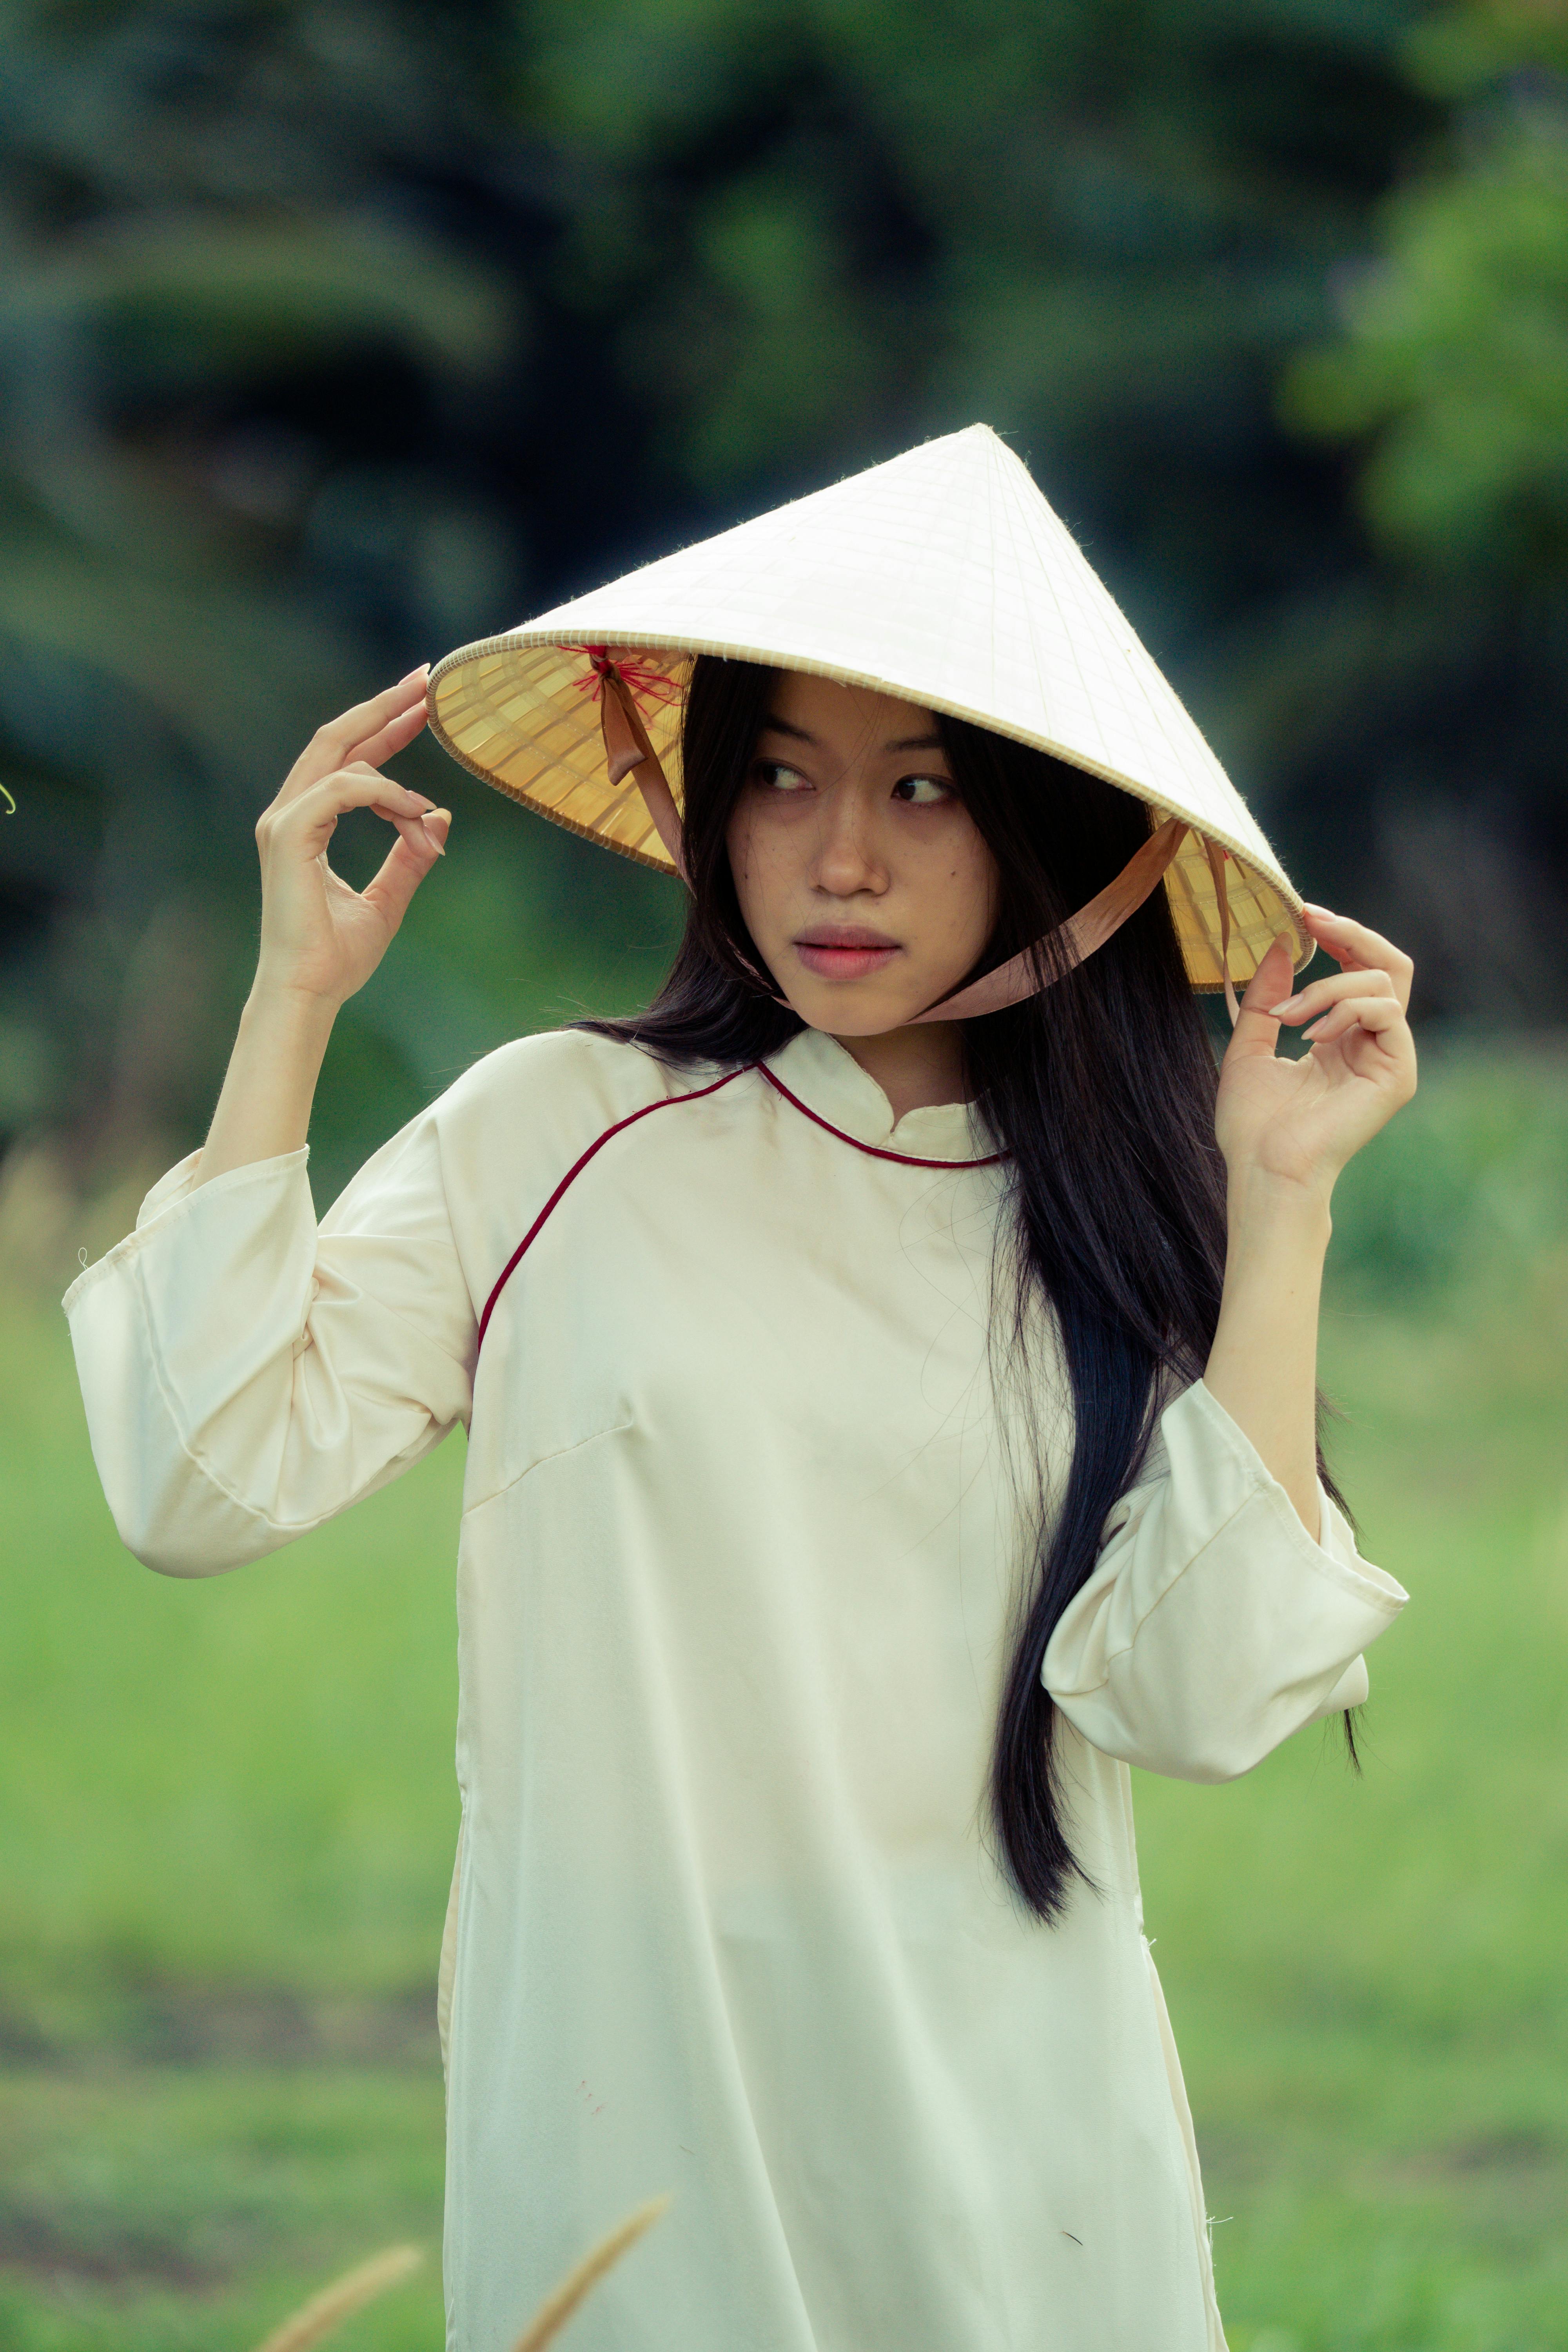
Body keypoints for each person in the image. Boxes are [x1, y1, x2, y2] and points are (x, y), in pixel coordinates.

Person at [66, 427, 1415, 2352]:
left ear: (1051, 834)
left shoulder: (1134, 1238)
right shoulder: (561, 1135)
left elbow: (1198, 1705)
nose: (838, 857)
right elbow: (197, 1487)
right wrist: (292, 1005)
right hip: (628, 2139)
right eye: (778, 778)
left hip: (1019, 2166)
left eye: (923, 789)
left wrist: (1276, 1208)